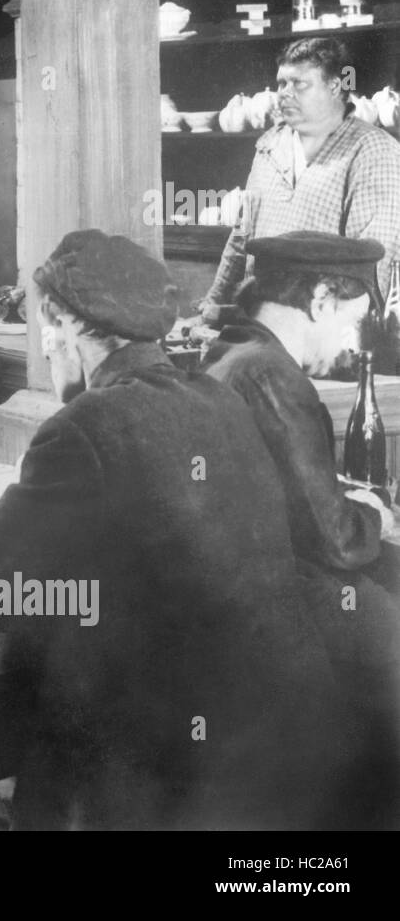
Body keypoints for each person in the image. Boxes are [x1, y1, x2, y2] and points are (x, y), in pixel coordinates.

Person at [0, 230, 347, 830]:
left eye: (45, 332)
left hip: (171, 791)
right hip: (289, 768)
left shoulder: (85, 427)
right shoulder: (218, 398)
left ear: (64, 327)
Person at [202, 232, 400, 828]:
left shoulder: (231, 356)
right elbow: (335, 539)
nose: (351, 346)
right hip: (283, 612)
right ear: (320, 300)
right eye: (352, 321)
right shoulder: (270, 375)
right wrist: (376, 516)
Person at [201, 37, 400, 319]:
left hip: (324, 330)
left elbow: (367, 265)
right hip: (257, 321)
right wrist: (212, 303)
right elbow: (240, 238)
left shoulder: (373, 151)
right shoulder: (270, 145)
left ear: (334, 86)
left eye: (299, 84)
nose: (284, 94)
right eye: (282, 83)